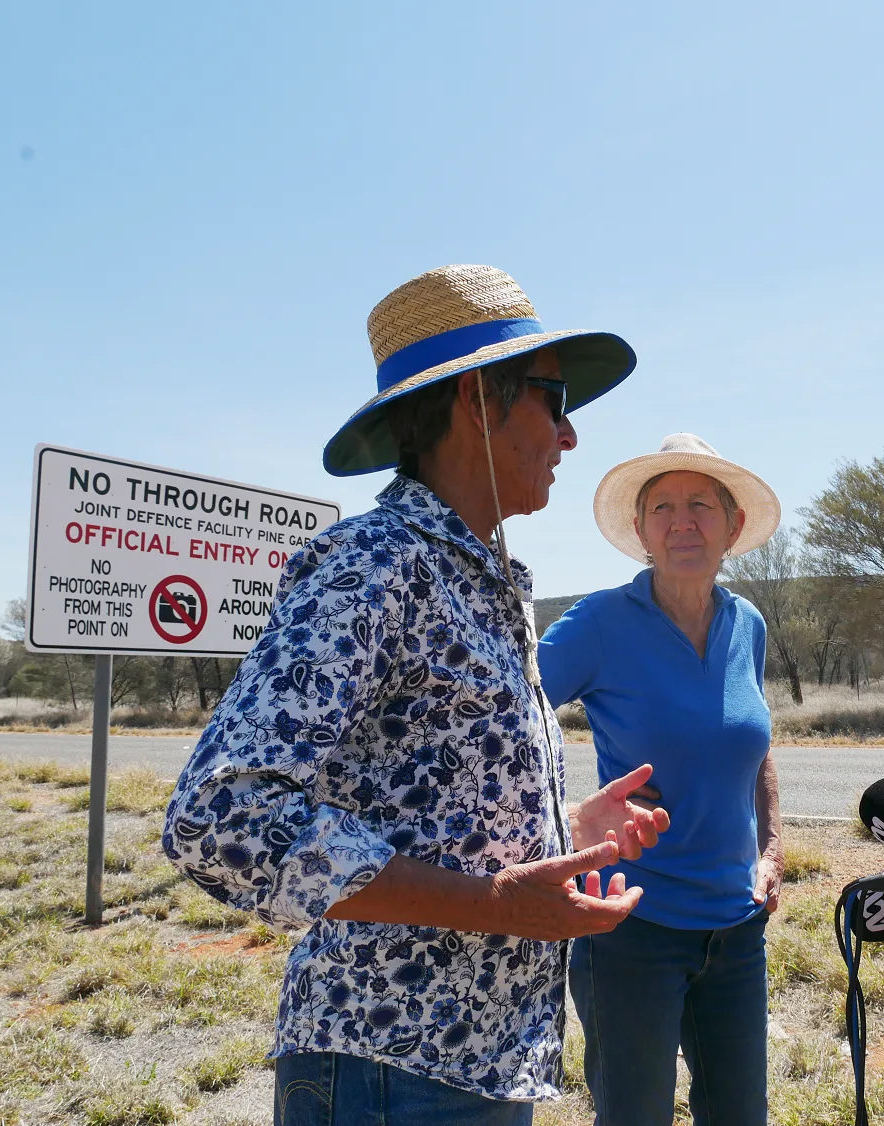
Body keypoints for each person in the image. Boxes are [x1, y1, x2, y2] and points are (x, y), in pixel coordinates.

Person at [163, 265, 671, 1126]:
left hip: (481, 1062)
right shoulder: (376, 567)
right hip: (390, 1072)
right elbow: (219, 818)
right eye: (554, 400)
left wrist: (561, 833)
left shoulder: (484, 582)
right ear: (478, 400)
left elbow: (424, 801)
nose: (571, 435)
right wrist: (498, 906)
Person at [536, 433, 784, 1126]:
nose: (683, 521)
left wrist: (772, 847)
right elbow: (503, 721)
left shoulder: (748, 625)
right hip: (628, 925)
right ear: (641, 530)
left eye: (702, 505)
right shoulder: (601, 622)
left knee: (740, 1115)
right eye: (663, 507)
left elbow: (754, 741)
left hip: (737, 929)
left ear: (732, 526)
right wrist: (568, 813)